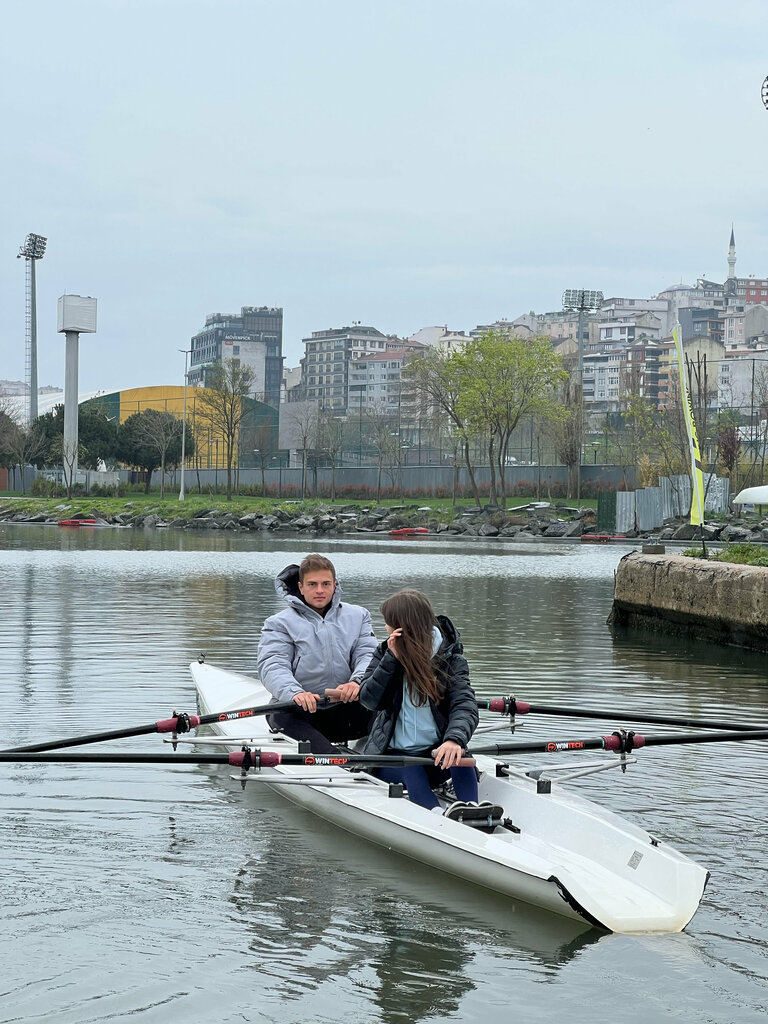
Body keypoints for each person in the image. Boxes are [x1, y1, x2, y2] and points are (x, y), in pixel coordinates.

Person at [358, 589, 482, 817]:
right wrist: (391, 660)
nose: (385, 629)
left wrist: (454, 740)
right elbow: (368, 700)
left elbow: (464, 705)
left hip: (434, 755)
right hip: (391, 757)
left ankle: (472, 811)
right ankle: (436, 816)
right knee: (410, 768)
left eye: (387, 623)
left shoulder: (451, 661)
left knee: (462, 758)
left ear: (403, 627)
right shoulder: (385, 652)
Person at [257, 554, 377, 754]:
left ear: (335, 585)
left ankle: (381, 757)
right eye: (312, 584)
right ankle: (332, 758)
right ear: (301, 587)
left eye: (325, 584)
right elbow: (273, 665)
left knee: (386, 706)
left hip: (347, 709)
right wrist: (295, 693)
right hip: (305, 711)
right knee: (279, 715)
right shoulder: (278, 623)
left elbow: (368, 656)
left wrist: (357, 682)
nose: (320, 590)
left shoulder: (359, 615)